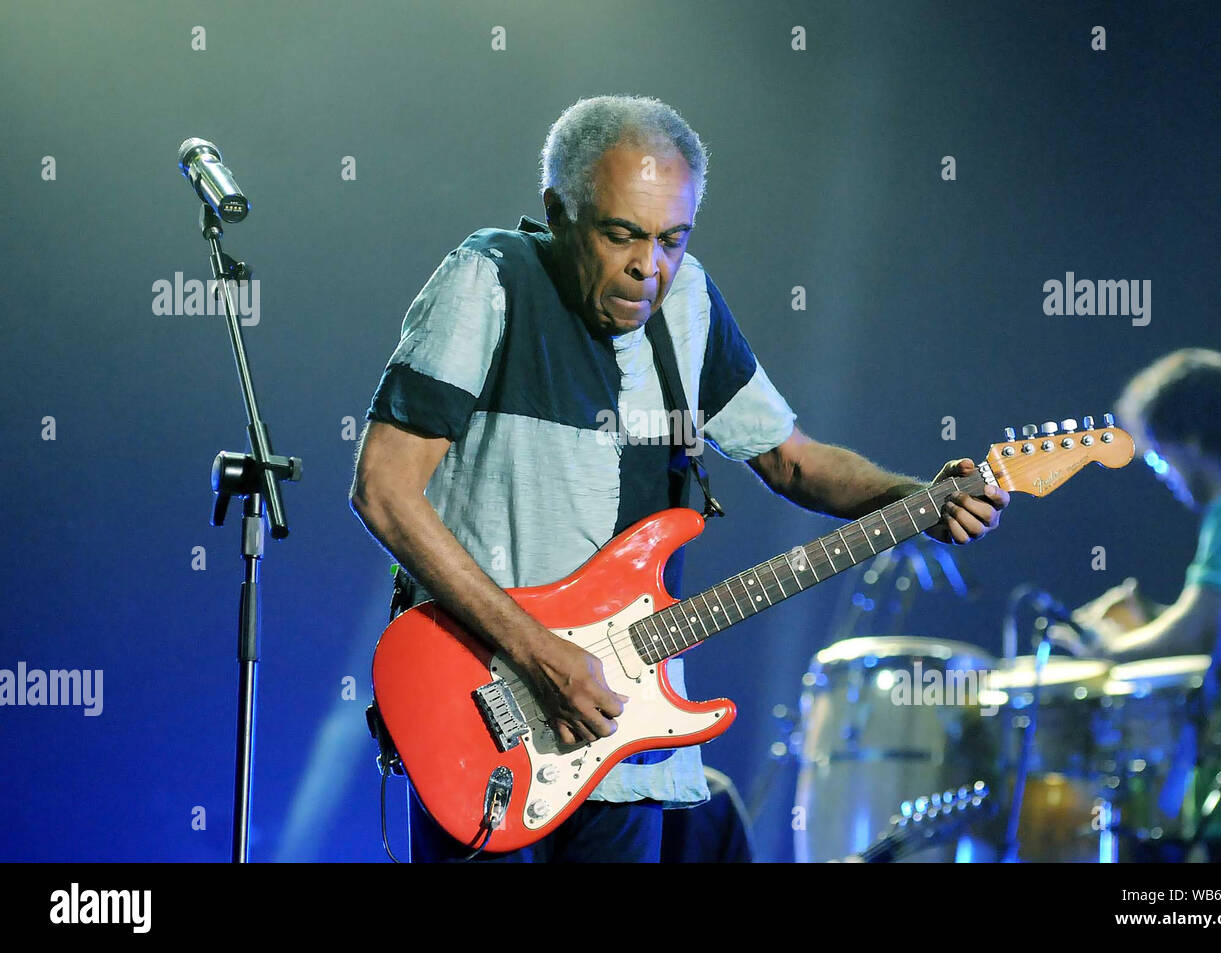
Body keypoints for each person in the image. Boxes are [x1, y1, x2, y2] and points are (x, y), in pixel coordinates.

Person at [349, 95, 1009, 863]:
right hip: (487, 724)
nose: (649, 266)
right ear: (559, 212)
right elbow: (383, 490)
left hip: (629, 745)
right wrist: (538, 654)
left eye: (673, 238)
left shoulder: (689, 301)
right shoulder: (489, 279)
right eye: (622, 234)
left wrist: (910, 499)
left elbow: (790, 458)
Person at [1055, 349, 1221, 862]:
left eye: (1158, 458)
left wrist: (1106, 648)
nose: (1163, 476)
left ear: (1189, 441)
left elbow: (1197, 628)